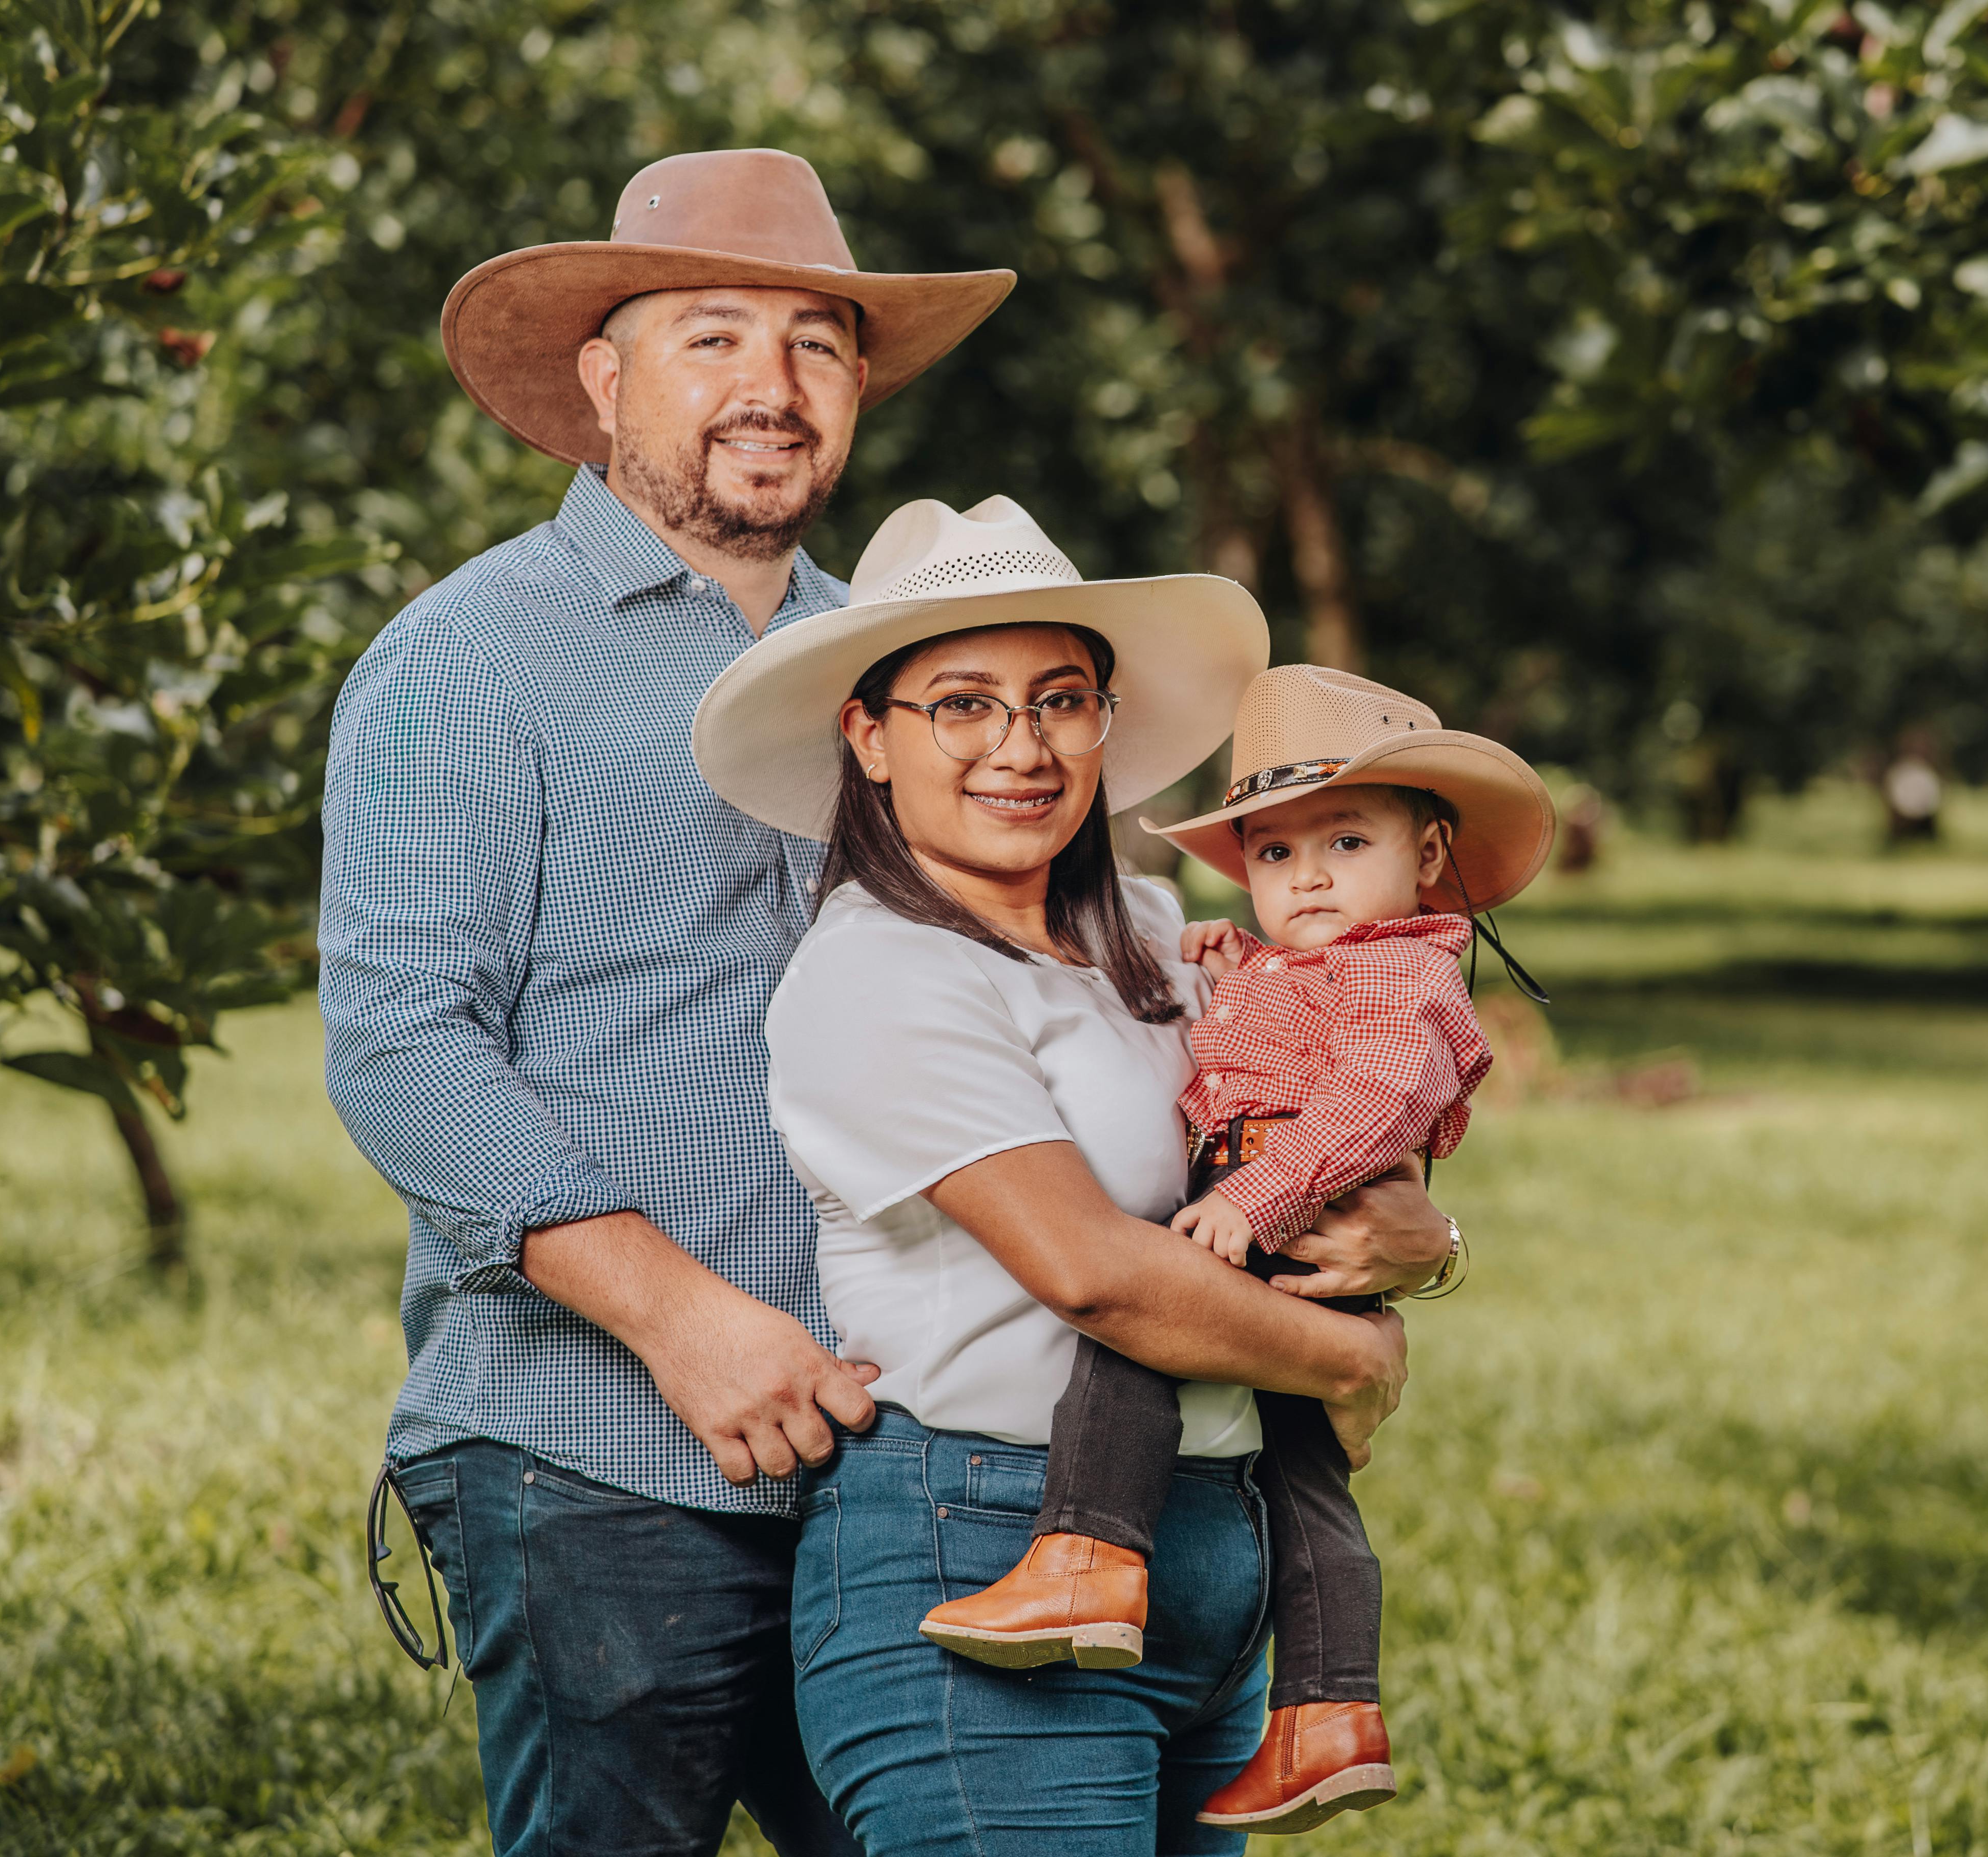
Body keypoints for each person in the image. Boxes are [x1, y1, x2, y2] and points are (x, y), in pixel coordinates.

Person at [317, 147, 1019, 1856]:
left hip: (897, 1466)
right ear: (600, 382)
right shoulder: (468, 655)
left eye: (818, 345)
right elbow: (404, 1043)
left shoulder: (910, 667)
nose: (771, 388)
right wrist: (685, 1317)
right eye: (712, 338)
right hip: (591, 1456)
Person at [688, 494, 1458, 1855]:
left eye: (1060, 699)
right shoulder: (883, 972)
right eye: (964, 706)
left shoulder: (1159, 936)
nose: (1022, 748)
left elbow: (1329, 1125)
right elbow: (1095, 1273)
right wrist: (1351, 1360)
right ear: (869, 735)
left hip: (1217, 1547)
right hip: (988, 1528)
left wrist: (1427, 1238)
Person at [918, 664, 1553, 1836]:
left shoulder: (1402, 971)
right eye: (1271, 854)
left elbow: (1367, 1100)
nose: (1305, 876)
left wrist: (1255, 1199)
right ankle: (1327, 1717)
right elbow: (1264, 1035)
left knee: (1137, 1333)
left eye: (1345, 840)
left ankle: (1090, 1555)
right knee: (1300, 1473)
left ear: (1425, 858)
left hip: (1281, 1197)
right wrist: (1232, 959)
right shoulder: (1309, 961)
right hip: (1282, 1200)